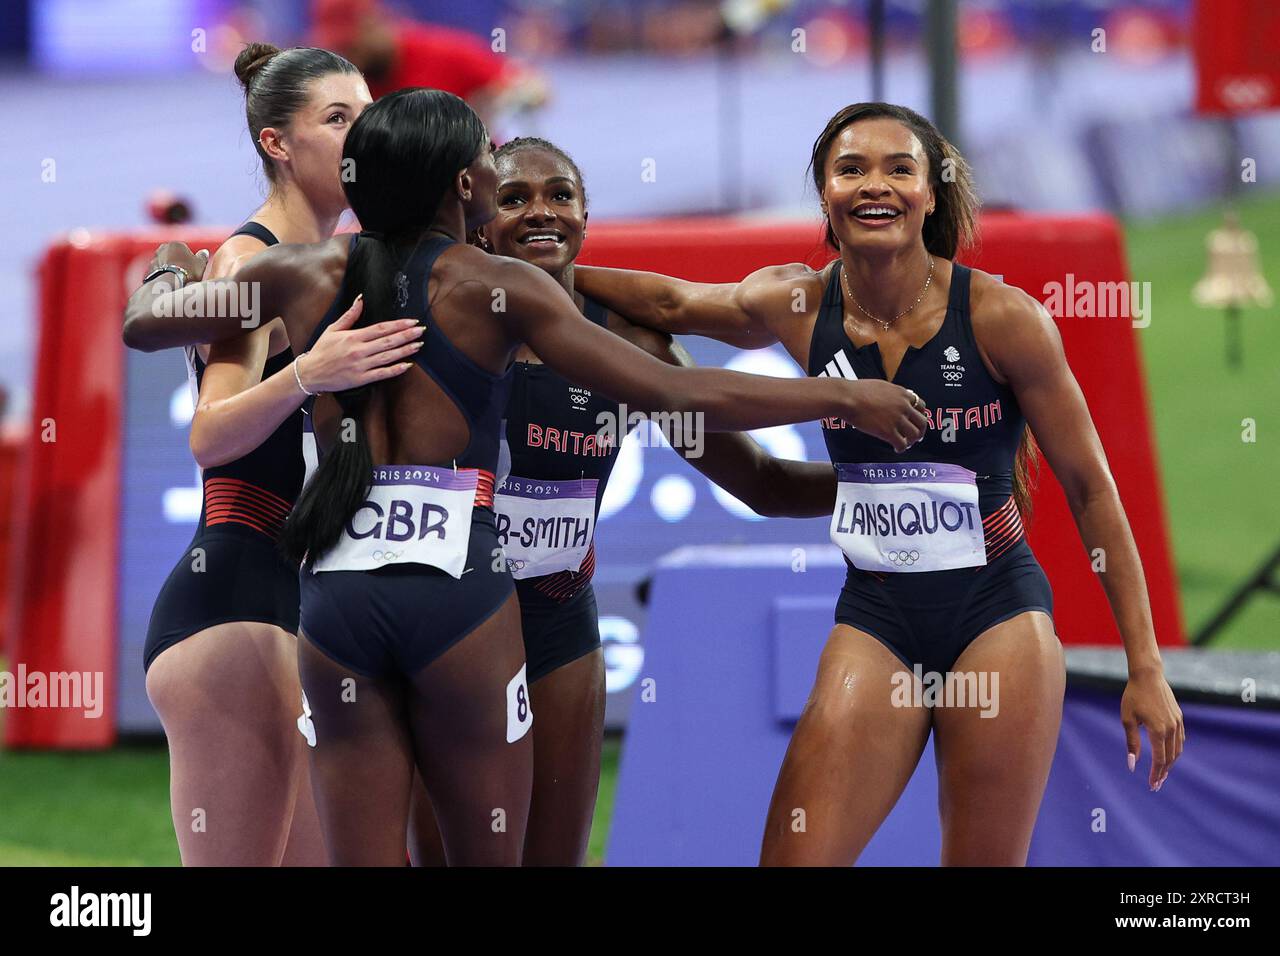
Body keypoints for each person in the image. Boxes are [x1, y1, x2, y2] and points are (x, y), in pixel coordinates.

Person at [121, 89, 927, 865]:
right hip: (467, 608)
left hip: (357, 604)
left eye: (560, 195)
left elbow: (150, 326)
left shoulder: (302, 272)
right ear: (468, 188)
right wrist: (845, 396)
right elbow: (683, 387)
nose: (535, 208)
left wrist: (164, 267)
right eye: (501, 181)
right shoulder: (503, 296)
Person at [573, 101, 1186, 866]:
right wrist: (535, 273)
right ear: (825, 194)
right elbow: (668, 304)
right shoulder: (797, 302)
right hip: (877, 617)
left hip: (996, 615)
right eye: (851, 169)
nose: (876, 186)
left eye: (901, 169)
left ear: (931, 194)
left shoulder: (1004, 318)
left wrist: (1147, 666)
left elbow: (1091, 490)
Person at [405, 137, 839, 866]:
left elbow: (762, 483)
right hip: (444, 628)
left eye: (560, 196)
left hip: (559, 629)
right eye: (514, 198)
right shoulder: (432, 324)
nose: (540, 211)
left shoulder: (631, 341)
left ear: (585, 213)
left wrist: (889, 479)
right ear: (479, 215)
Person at [134, 44, 422, 865]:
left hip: (303, 612)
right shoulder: (250, 261)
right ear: (277, 144)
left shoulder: (350, 262)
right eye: (337, 120)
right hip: (233, 613)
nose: (360, 135)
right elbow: (210, 434)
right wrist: (309, 372)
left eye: (366, 117)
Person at [310, 0, 547, 132]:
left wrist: (488, 109)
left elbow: (534, 89)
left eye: (352, 47)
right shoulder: (340, 81)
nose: (348, 57)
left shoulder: (445, 51)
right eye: (339, 48)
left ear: (375, 24)